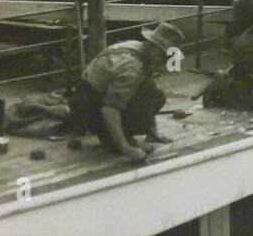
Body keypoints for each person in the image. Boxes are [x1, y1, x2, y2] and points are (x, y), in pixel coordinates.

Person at [69, 22, 184, 162]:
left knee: (156, 96)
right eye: (164, 56)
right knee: (139, 110)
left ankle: (120, 133)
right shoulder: (131, 68)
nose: (164, 61)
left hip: (96, 91)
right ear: (155, 48)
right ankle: (110, 136)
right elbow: (110, 109)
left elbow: (148, 87)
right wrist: (126, 148)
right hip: (89, 103)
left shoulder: (137, 47)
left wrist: (152, 131)